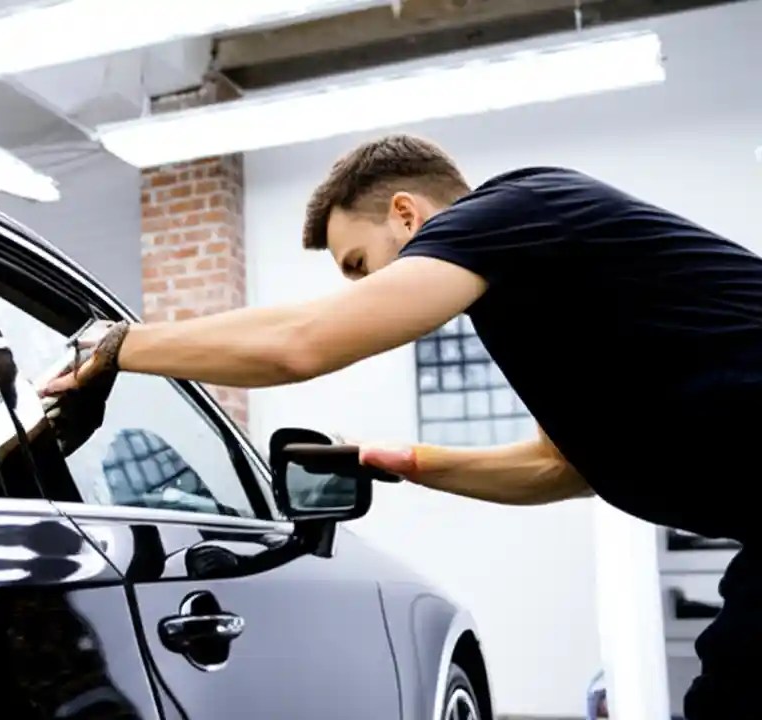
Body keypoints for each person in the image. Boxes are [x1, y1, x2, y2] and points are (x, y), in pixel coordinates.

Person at [37, 134, 762, 719]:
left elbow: (302, 342)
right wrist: (410, 461)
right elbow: (559, 468)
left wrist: (116, 346)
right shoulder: (529, 289)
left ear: (410, 217)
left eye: (361, 266)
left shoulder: (512, 209)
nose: (363, 290)